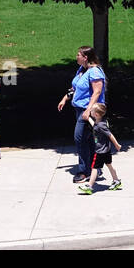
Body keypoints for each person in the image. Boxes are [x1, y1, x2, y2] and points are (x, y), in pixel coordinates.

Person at [57, 46, 106, 181]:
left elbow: (97, 92)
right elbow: (75, 87)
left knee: (79, 138)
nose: (76, 56)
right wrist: (65, 98)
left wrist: (88, 110)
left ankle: (85, 171)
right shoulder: (82, 70)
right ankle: (94, 168)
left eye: (78, 55)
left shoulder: (95, 72)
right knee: (88, 139)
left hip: (89, 111)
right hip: (79, 109)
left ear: (85, 57)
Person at [77, 102, 122, 194]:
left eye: (91, 111)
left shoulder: (101, 125)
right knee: (109, 165)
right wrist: (88, 118)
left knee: (94, 168)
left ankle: (89, 186)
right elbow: (95, 126)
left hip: (100, 151)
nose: (90, 112)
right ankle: (116, 181)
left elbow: (110, 135)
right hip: (106, 150)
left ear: (96, 114)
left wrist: (117, 145)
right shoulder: (100, 122)